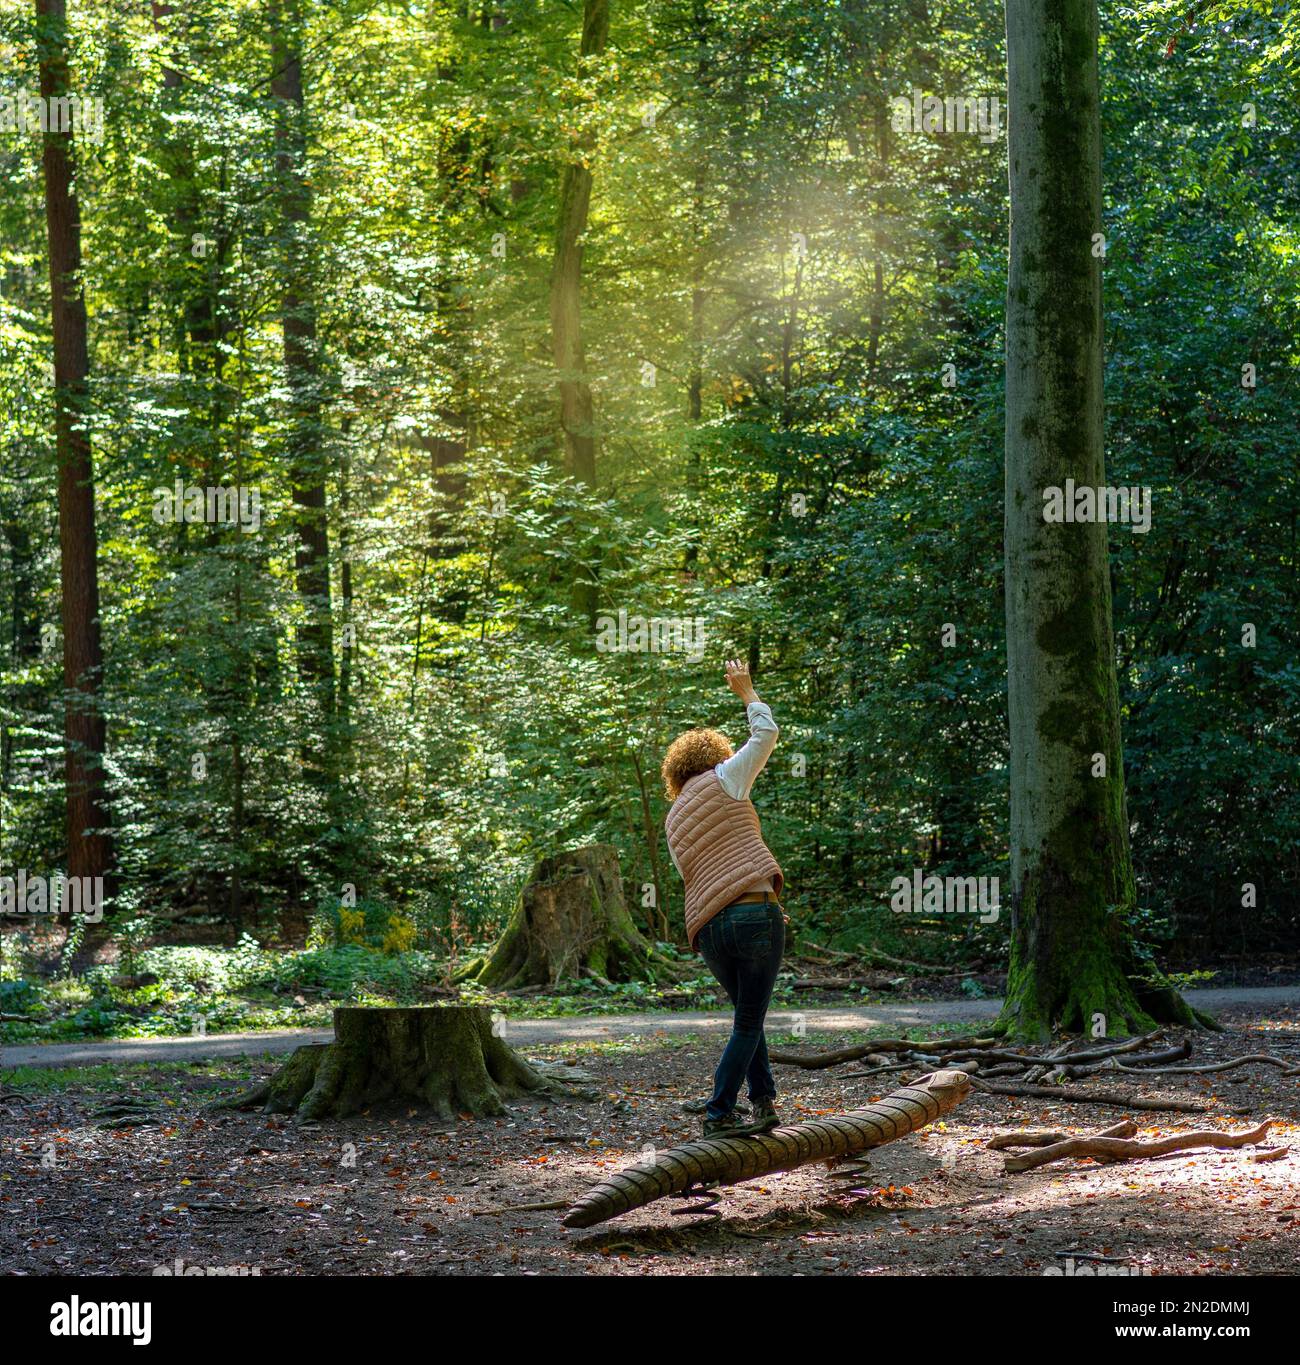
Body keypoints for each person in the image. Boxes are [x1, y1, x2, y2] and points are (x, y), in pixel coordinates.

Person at [662, 659, 786, 1137]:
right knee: (749, 1020)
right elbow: (766, 735)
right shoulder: (726, 778)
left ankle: (765, 1103)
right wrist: (748, 693)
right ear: (714, 755)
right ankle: (718, 1112)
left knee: (746, 1019)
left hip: (709, 931)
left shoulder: (674, 818)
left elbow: (688, 876)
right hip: (753, 915)